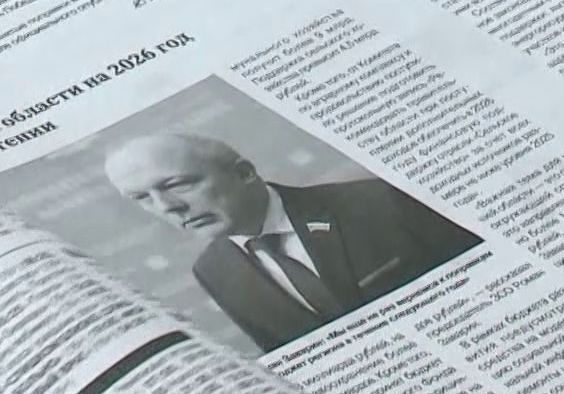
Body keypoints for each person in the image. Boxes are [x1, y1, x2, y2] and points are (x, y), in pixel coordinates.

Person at [103, 133, 481, 351]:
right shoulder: (214, 272)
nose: (167, 207)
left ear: (244, 173)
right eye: (142, 198)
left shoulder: (379, 202)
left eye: (176, 184)